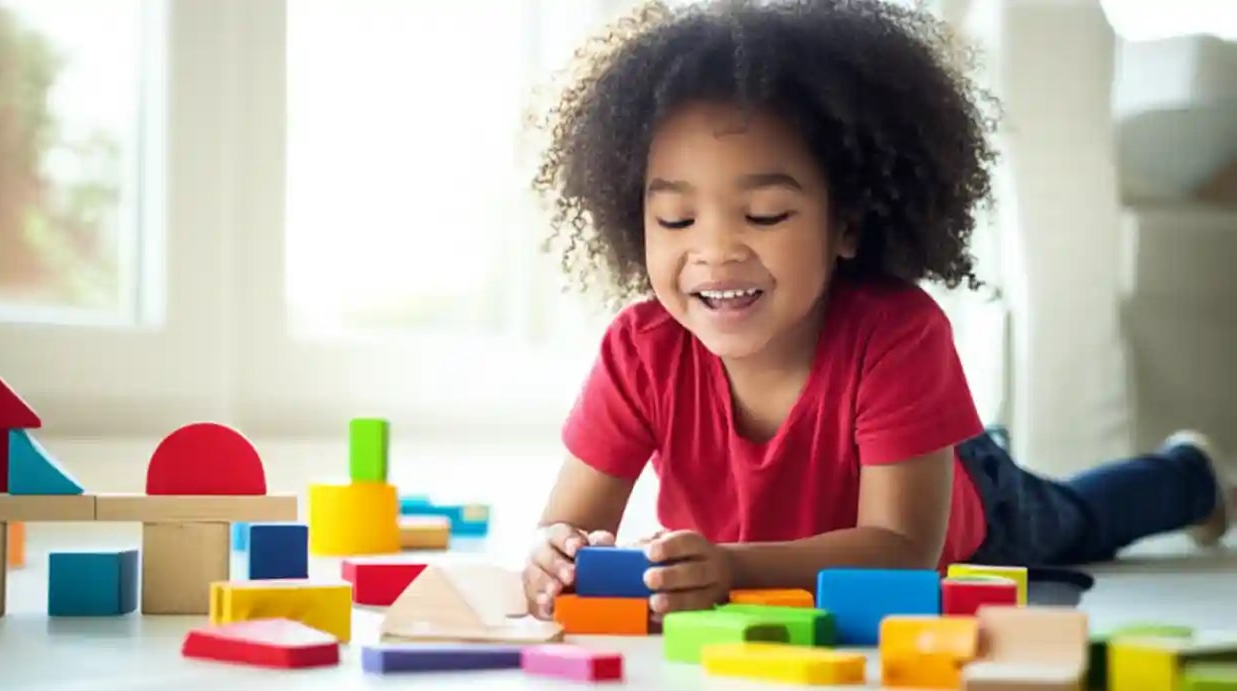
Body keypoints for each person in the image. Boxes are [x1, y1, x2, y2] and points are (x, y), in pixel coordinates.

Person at [521, 0, 1233, 620]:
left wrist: (733, 569)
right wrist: (557, 555)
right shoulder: (639, 350)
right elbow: (572, 526)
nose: (714, 251)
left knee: (1078, 518)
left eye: (765, 214)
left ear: (849, 225)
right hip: (777, 542)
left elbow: (902, 553)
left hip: (967, 514)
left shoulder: (898, 333)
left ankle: (1190, 474)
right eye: (676, 220)